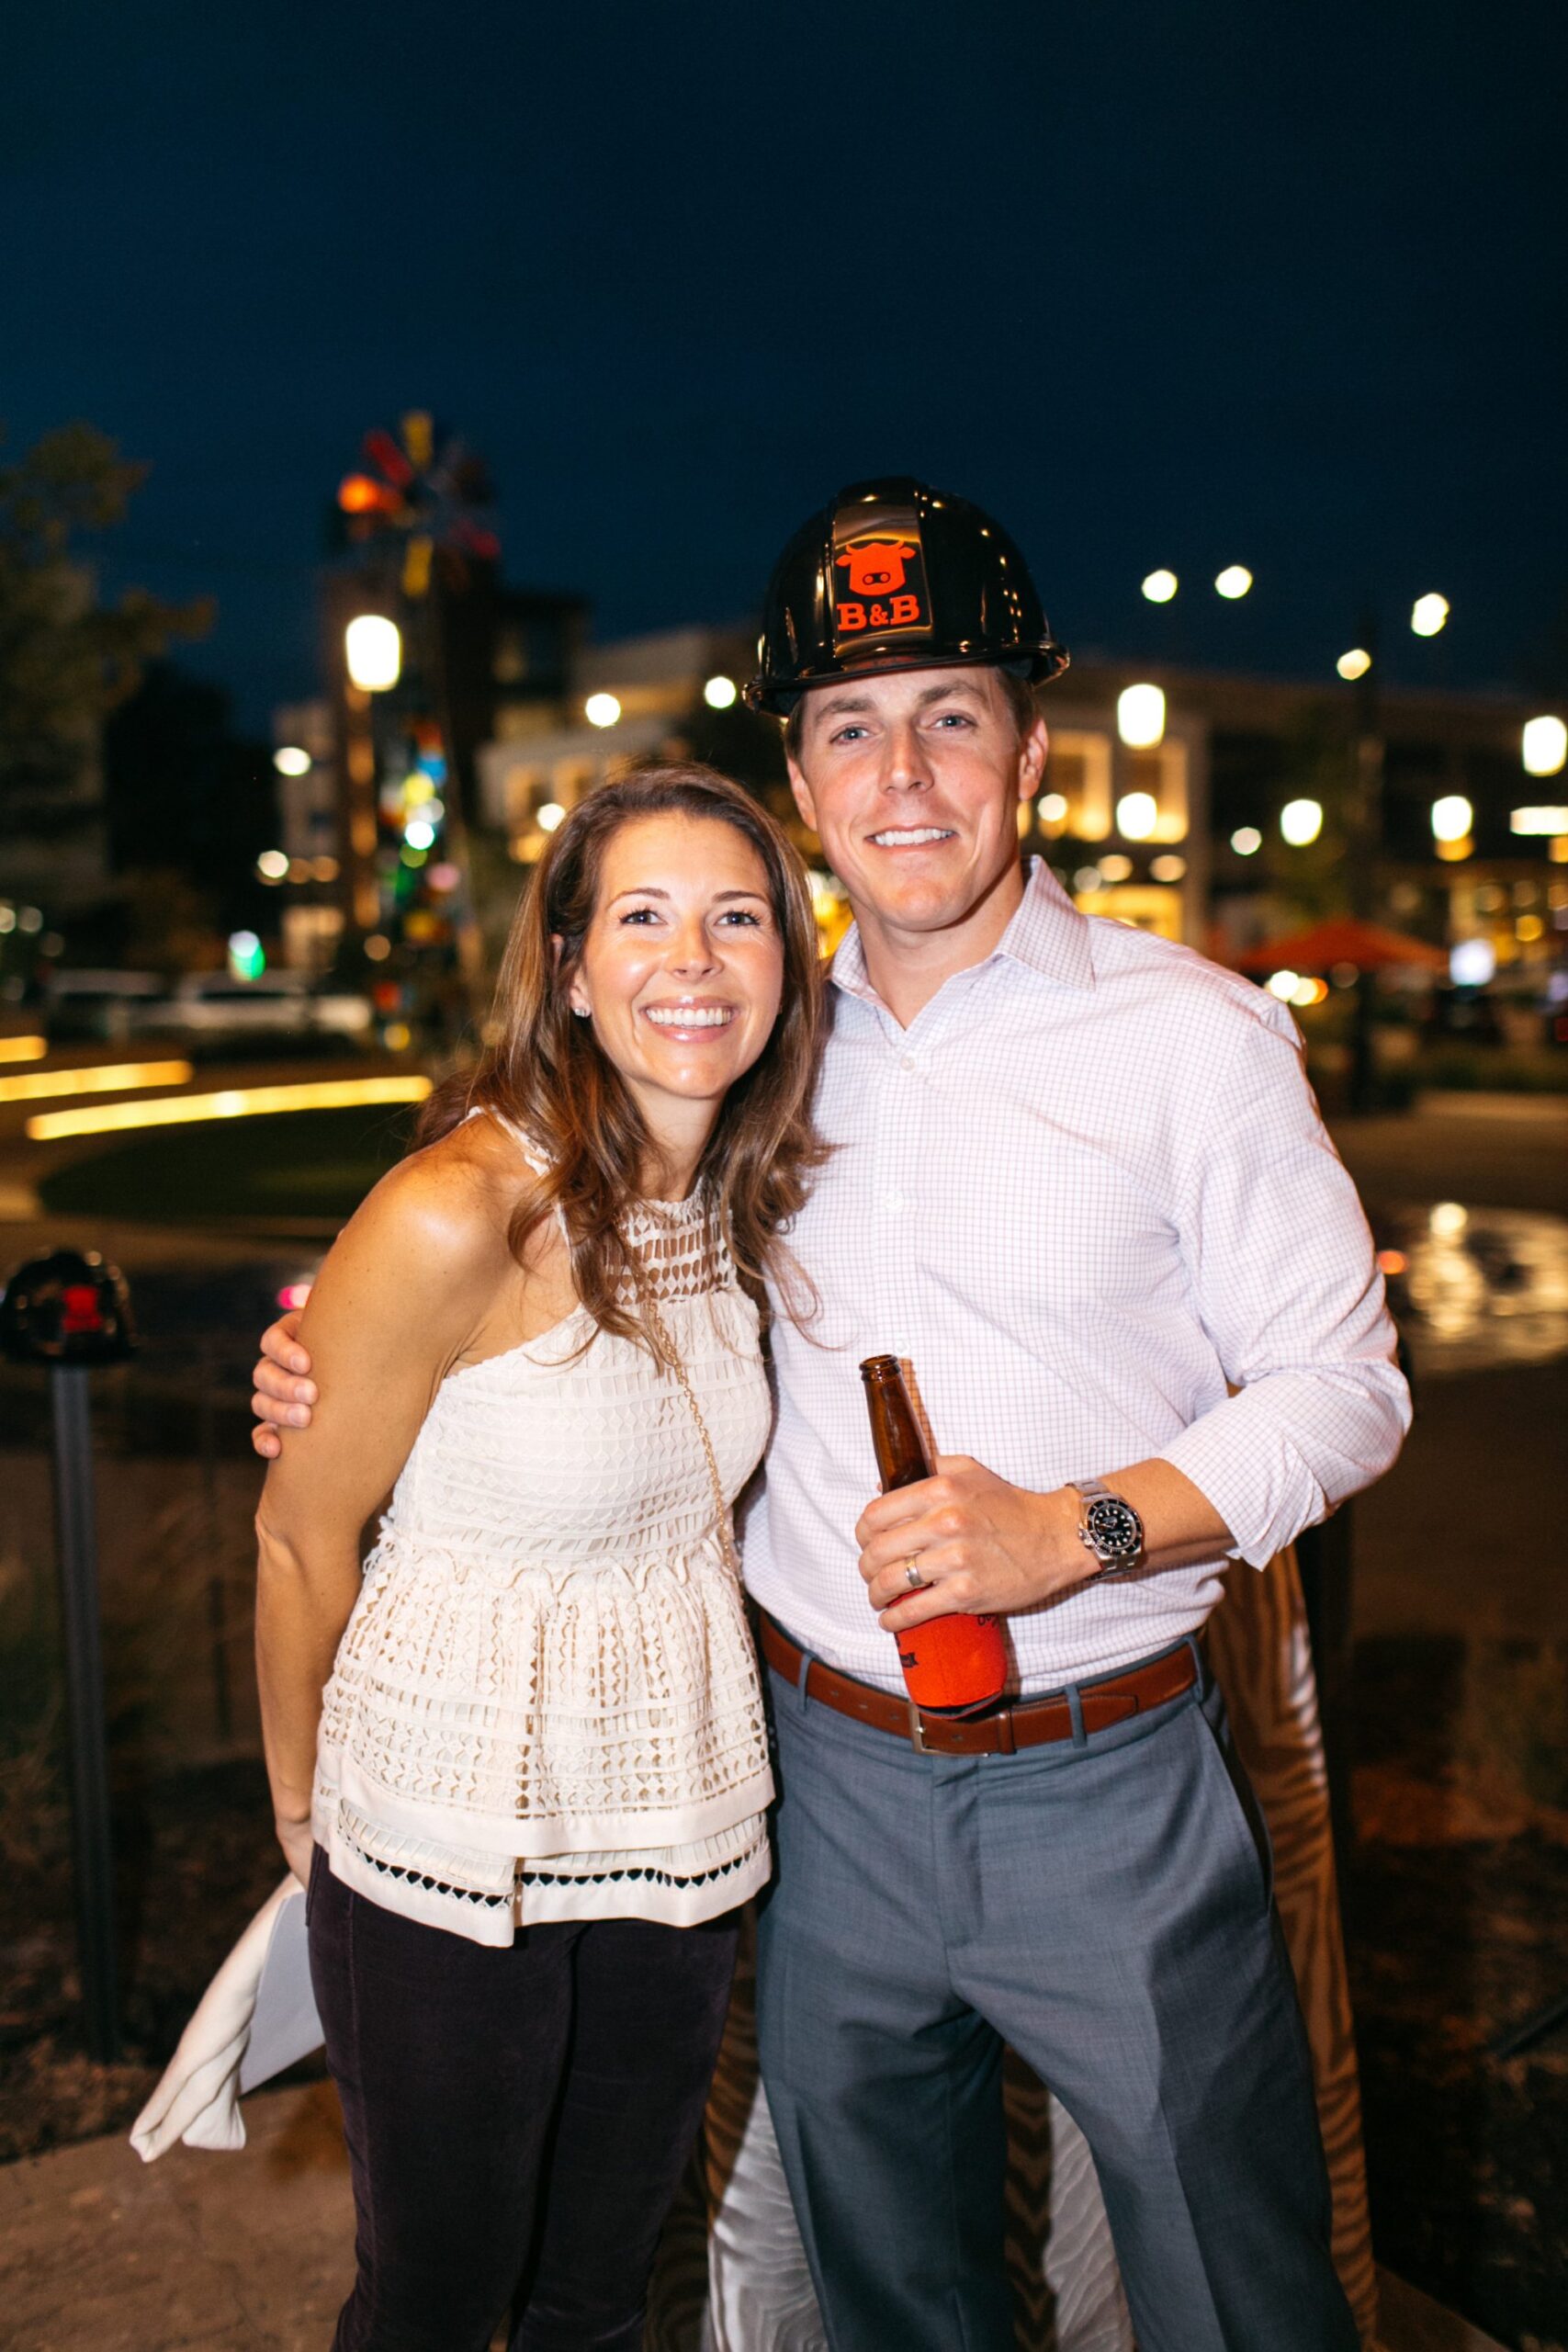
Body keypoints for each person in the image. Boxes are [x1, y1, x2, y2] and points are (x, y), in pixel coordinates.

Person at [254, 478, 1411, 2352]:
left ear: (1030, 747)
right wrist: (331, 1370)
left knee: (1230, 2284)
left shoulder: (1187, 1033)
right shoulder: (747, 1045)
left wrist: (1078, 1523)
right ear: (798, 779)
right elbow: (546, 1297)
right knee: (889, 2296)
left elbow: (1345, 1385)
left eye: (949, 712)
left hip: (1103, 1773)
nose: (901, 774)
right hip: (816, 1781)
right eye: (847, 726)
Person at [251, 764, 825, 2352]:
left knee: (596, 2296)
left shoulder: (739, 1204)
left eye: (735, 918)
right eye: (642, 917)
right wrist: (305, 1815)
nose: (693, 960)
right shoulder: (460, 1211)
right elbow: (299, 1534)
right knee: (436, 2303)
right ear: (570, 969)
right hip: (450, 1832)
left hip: (670, 1815)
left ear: (786, 960)